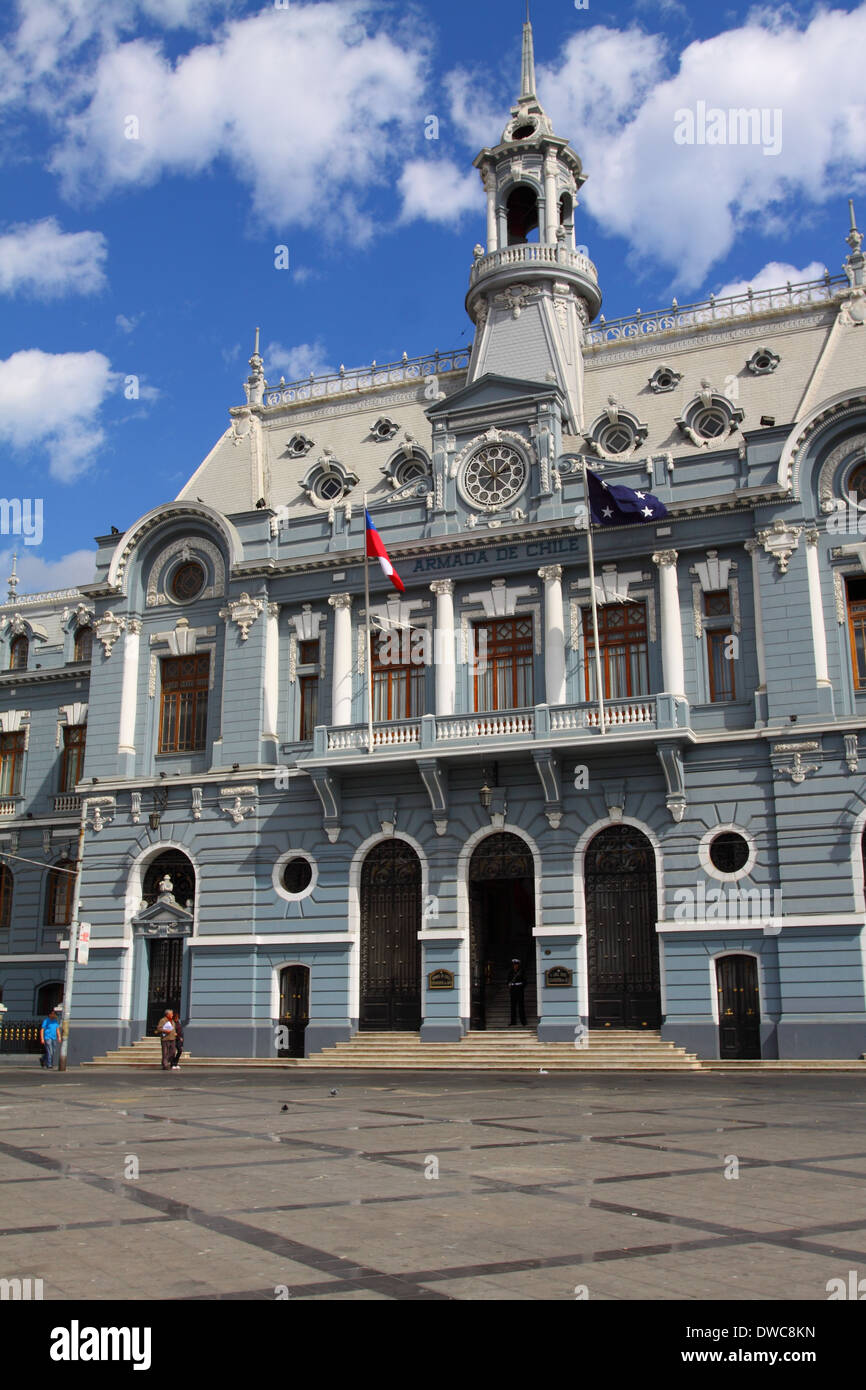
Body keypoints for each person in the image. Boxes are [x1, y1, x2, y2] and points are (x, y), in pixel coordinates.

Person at [507, 958, 527, 1027]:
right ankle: (513, 1021)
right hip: (513, 991)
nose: (515, 966)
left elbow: (525, 982)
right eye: (514, 965)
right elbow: (508, 981)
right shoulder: (510, 972)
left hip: (519, 991)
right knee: (513, 1007)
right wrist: (509, 984)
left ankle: (523, 1021)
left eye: (516, 964)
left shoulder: (521, 972)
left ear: (518, 965)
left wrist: (520, 987)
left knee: (521, 1006)